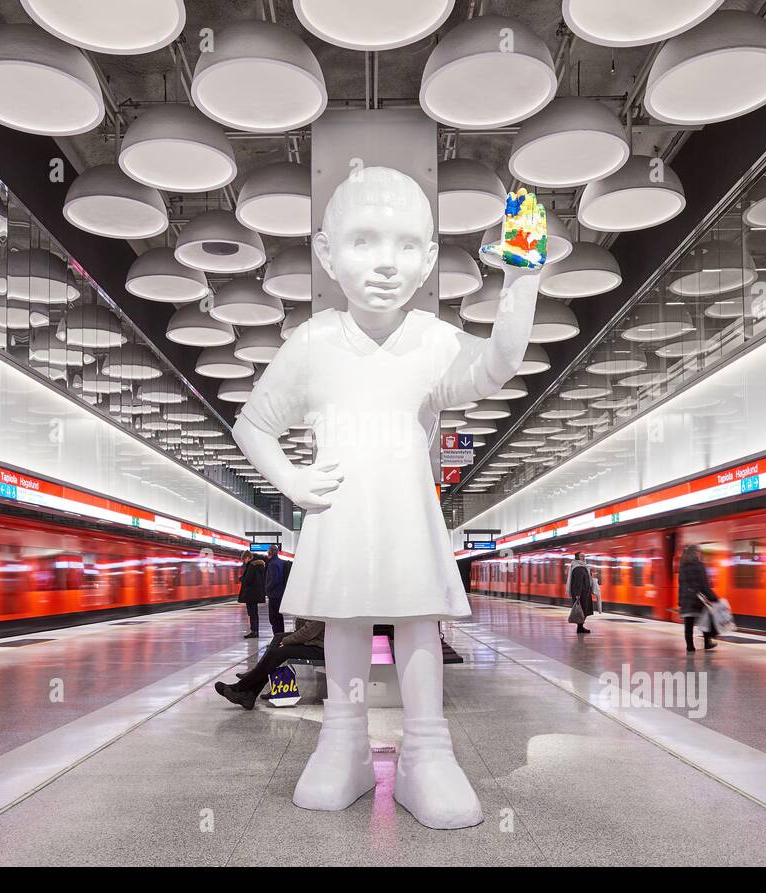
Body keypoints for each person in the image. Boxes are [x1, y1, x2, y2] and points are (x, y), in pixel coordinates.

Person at [230, 168, 545, 829]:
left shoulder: (431, 339)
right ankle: (340, 740)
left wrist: (522, 282)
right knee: (344, 619)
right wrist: (289, 479)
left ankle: (427, 749)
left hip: (404, 508)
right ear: (325, 253)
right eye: (364, 242)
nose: (385, 265)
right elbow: (253, 424)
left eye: (407, 247)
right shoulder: (315, 341)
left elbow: (496, 365)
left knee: (416, 619)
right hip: (342, 507)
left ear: (430, 258)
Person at [214, 618, 325, 710]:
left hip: (322, 647)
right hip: (318, 640)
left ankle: (241, 687)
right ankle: (250, 693)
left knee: (277, 652)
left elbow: (309, 631)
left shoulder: (322, 599)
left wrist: (287, 641)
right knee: (278, 637)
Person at [678, 544, 720, 652]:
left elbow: (681, 585)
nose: (699, 554)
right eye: (698, 552)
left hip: (686, 600)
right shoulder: (700, 565)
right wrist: (714, 598)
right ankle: (707, 643)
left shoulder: (682, 566)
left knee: (688, 626)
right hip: (697, 601)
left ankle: (690, 647)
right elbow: (704, 585)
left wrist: (680, 602)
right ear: (695, 553)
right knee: (706, 621)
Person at [237, 550, 266, 640]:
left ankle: (254, 631)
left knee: (252, 613)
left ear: (248, 557)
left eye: (244, 559)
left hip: (251, 595)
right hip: (255, 594)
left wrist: (241, 578)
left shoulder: (251, 566)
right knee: (254, 613)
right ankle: (255, 631)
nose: (244, 561)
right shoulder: (258, 566)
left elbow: (248, 580)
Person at [263, 543, 290, 637]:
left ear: (270, 552)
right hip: (280, 593)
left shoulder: (272, 564)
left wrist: (267, 589)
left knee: (274, 618)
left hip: (274, 595)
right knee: (279, 617)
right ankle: (280, 636)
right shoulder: (281, 562)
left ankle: (277, 638)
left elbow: (274, 579)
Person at [567, 552, 594, 635]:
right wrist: (578, 594)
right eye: (581, 556)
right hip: (581, 593)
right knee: (582, 610)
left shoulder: (582, 566)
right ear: (577, 557)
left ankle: (580, 627)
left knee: (583, 610)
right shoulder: (578, 567)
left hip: (584, 591)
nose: (583, 557)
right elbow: (578, 582)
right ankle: (580, 627)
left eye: (584, 556)